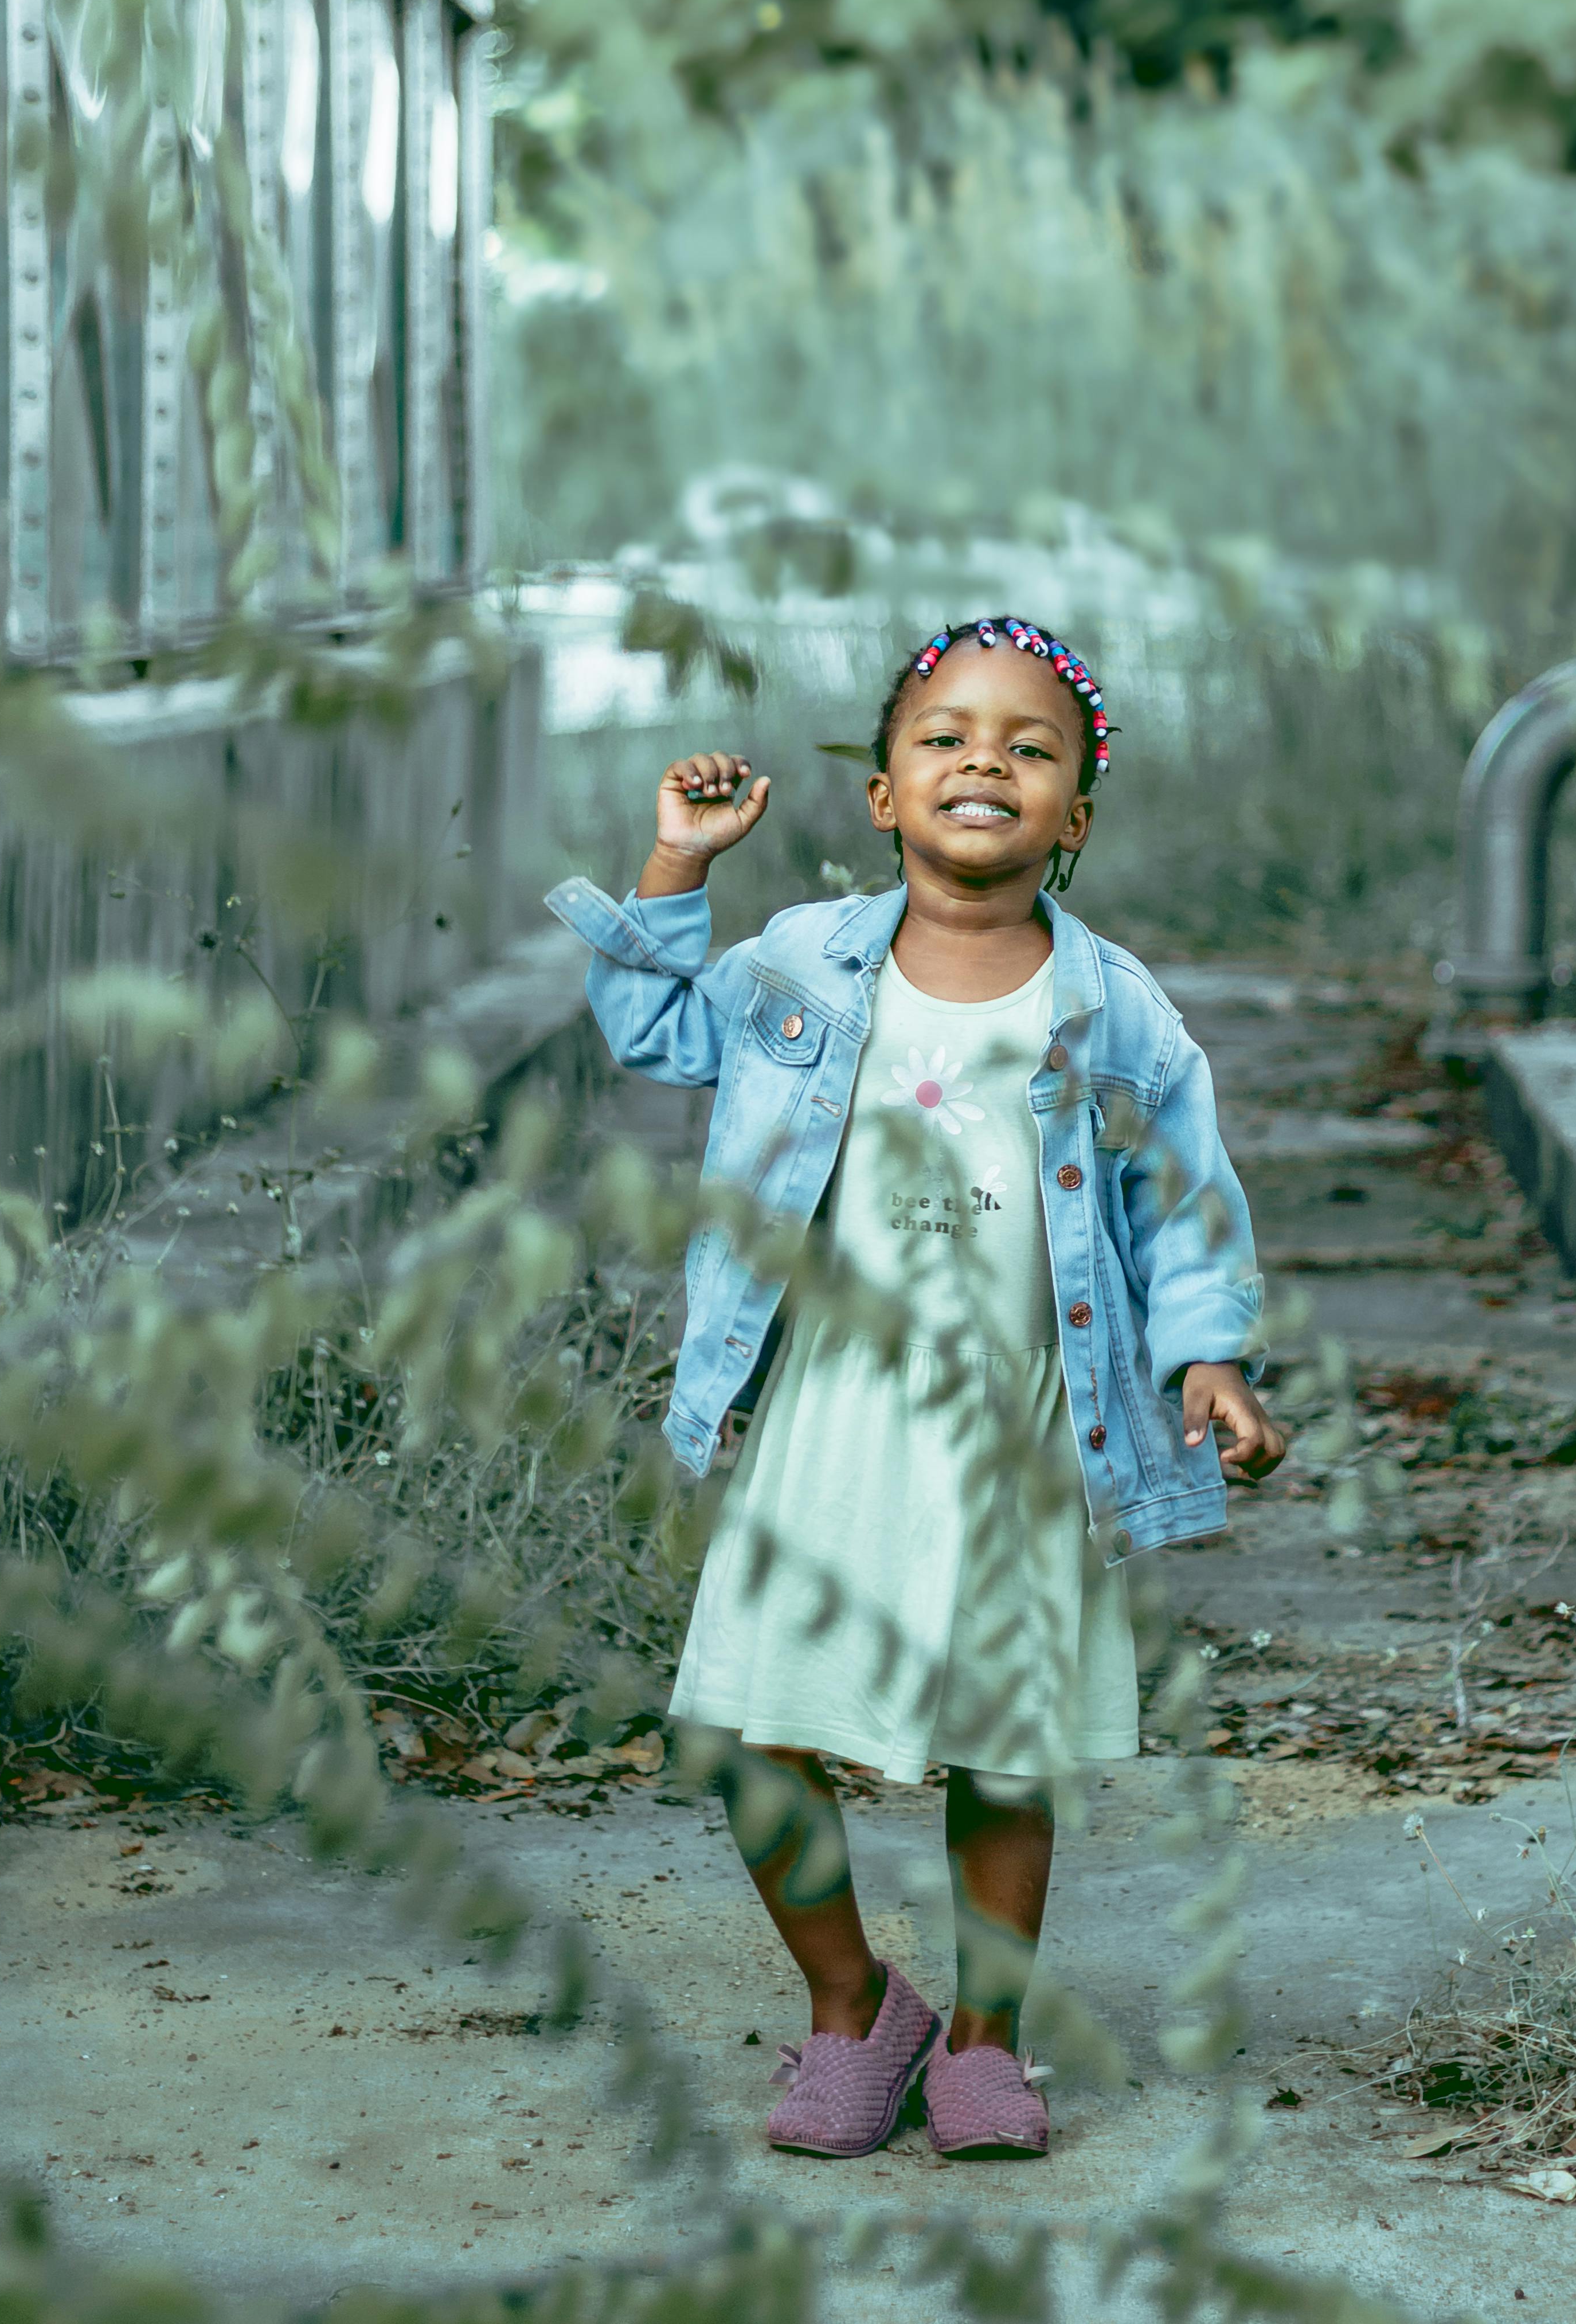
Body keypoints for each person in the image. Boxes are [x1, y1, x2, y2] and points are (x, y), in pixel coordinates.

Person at [546, 617, 1283, 2162]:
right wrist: (677, 867)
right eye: (946, 738)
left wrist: (1205, 1357)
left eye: (1029, 749)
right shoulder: (806, 957)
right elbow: (658, 1029)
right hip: (835, 1407)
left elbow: (1187, 1195)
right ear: (884, 793)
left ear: (1074, 817)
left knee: (1006, 1747)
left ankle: (986, 2042)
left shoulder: (1116, 1007)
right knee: (752, 1729)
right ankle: (850, 2008)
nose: (984, 765)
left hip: (1027, 1424)